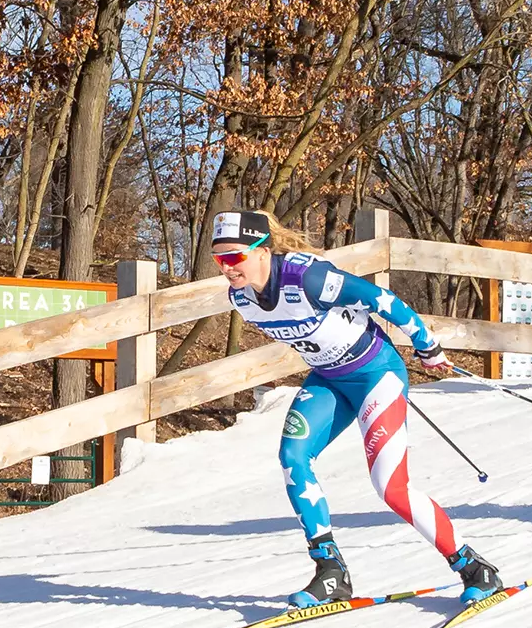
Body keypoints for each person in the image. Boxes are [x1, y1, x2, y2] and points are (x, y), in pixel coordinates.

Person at [211, 209, 502, 606]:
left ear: (263, 250)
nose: (227, 268)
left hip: (374, 376)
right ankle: (330, 571)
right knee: (292, 456)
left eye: (234, 257)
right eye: (219, 259)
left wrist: (425, 344)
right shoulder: (241, 298)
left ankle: (473, 567)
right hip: (328, 379)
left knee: (390, 486)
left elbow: (380, 299)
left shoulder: (308, 278)